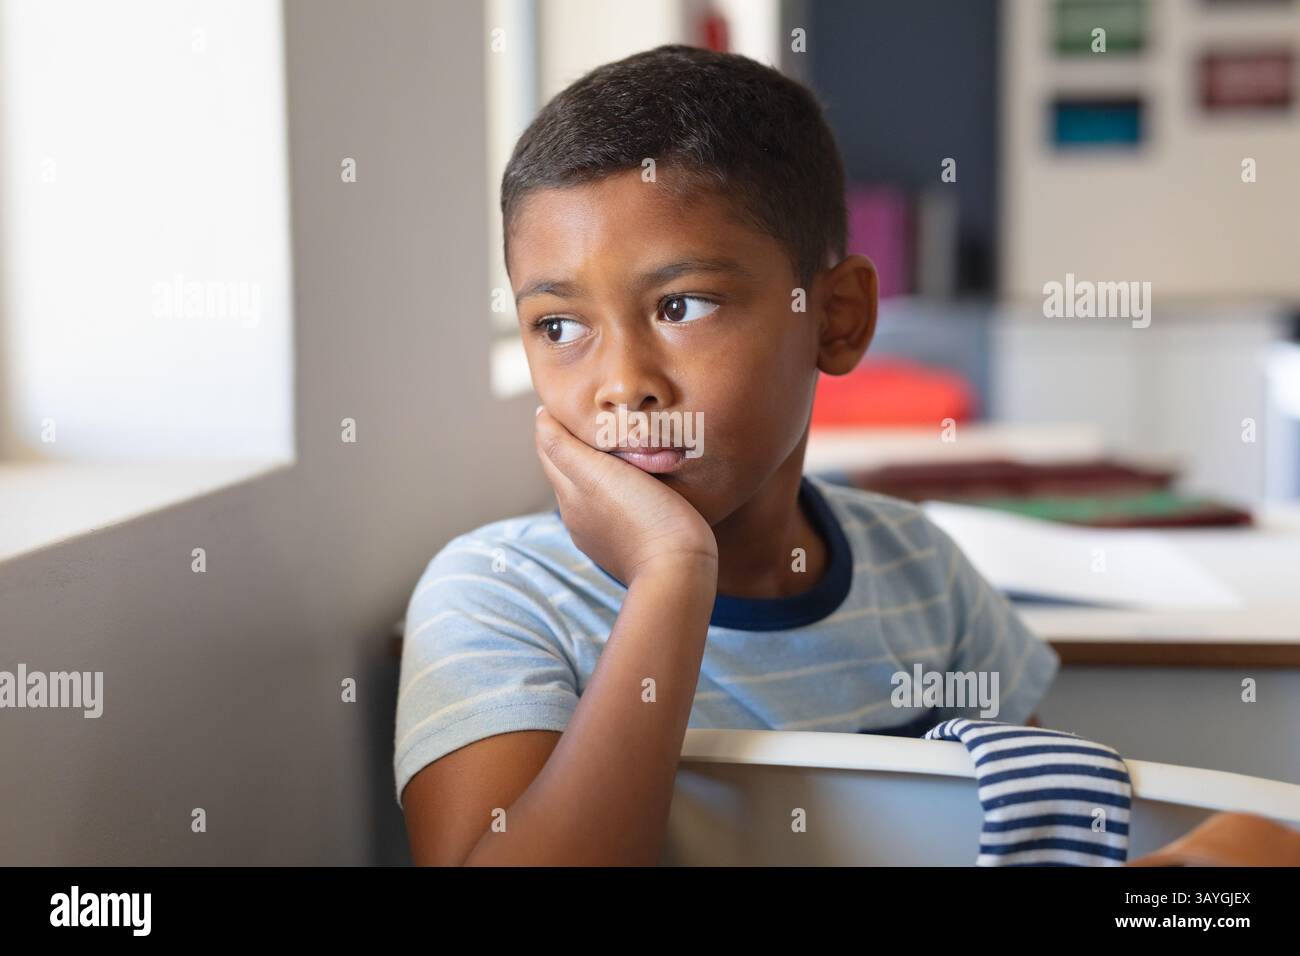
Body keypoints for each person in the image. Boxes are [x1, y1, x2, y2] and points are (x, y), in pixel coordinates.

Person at [395, 44, 1059, 865]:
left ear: (838, 318)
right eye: (559, 325)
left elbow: (1043, 844)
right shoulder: (495, 600)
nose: (622, 385)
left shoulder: (923, 574)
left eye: (682, 305)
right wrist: (672, 575)